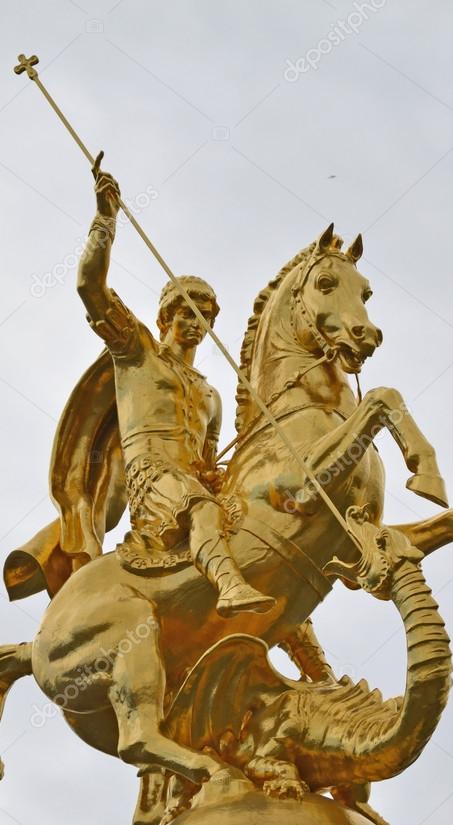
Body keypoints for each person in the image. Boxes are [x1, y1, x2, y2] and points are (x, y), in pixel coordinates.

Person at [76, 153, 274, 617]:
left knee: (263, 533)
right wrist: (105, 220)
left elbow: (207, 463)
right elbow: (90, 286)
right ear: (166, 316)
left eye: (204, 316)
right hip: (153, 485)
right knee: (198, 505)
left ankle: (316, 666)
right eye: (186, 312)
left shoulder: (211, 395)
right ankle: (230, 589)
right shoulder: (137, 351)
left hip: (192, 485)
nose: (195, 322)